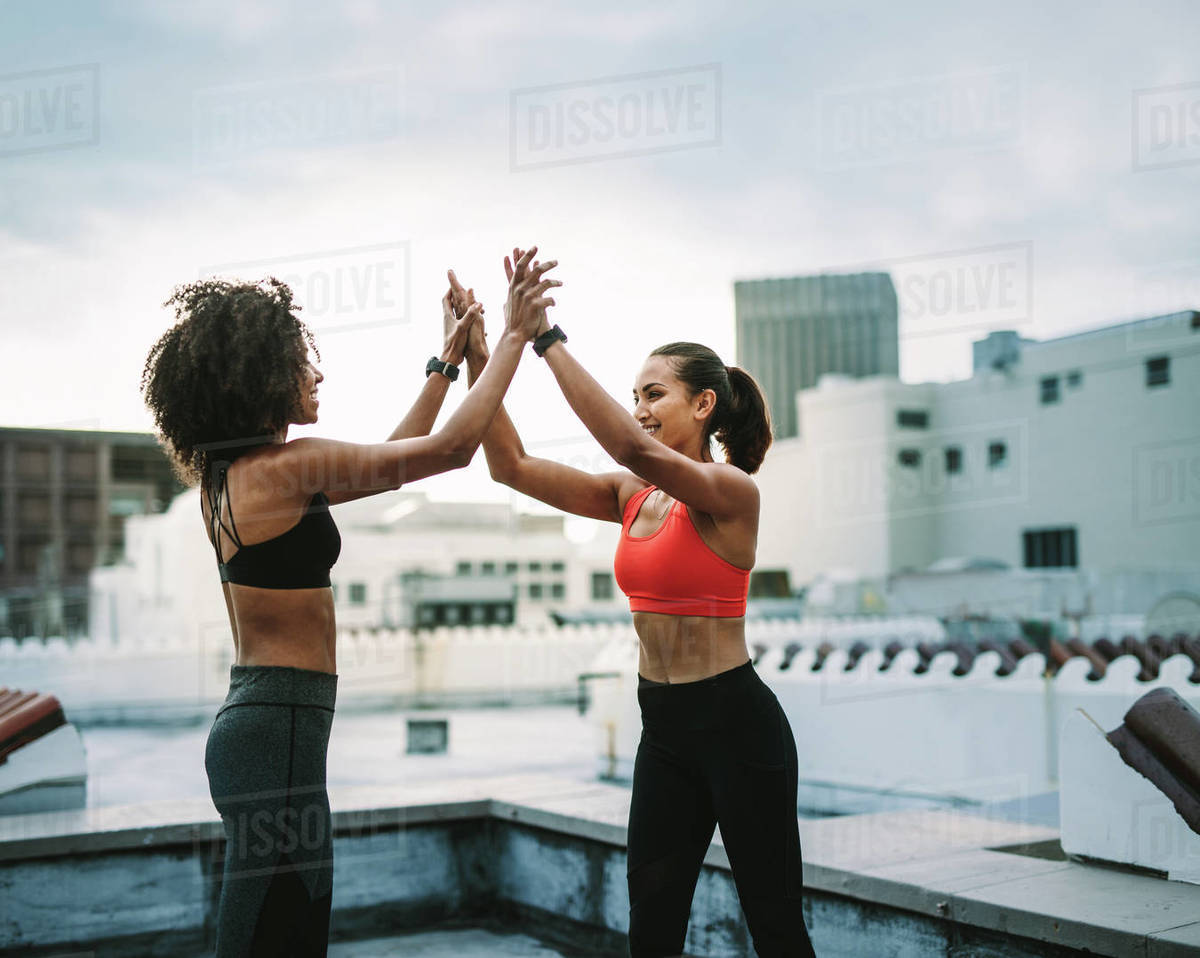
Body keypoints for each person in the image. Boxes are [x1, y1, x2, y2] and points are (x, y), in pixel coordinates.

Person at [138, 253, 558, 958]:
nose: (317, 375)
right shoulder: (285, 467)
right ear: (258, 380)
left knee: (267, 927)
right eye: (302, 364)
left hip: (264, 729)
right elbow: (452, 451)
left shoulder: (235, 478)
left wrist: (447, 362)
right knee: (283, 930)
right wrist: (514, 336)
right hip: (280, 737)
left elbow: (397, 457)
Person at [452, 251, 817, 957]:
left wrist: (545, 339)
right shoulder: (631, 496)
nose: (641, 411)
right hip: (665, 727)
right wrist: (486, 353)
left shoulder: (731, 490)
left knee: (774, 927)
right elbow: (512, 467)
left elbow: (625, 442)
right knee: (650, 930)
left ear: (703, 404)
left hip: (737, 724)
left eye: (654, 394)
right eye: (637, 395)